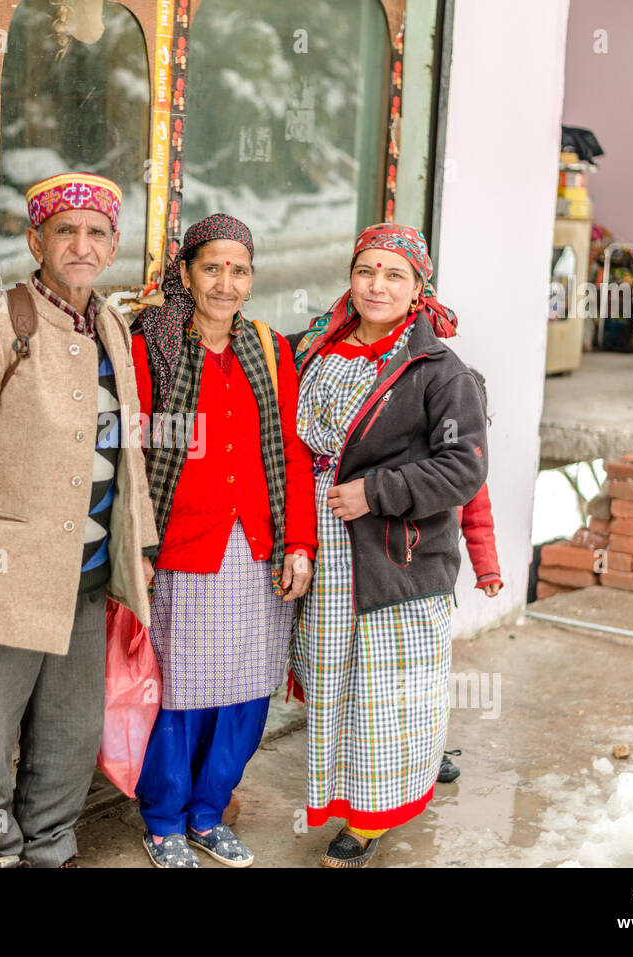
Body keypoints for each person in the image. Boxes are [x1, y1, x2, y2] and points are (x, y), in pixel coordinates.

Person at [0, 172, 159, 868]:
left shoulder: (108, 321)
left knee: (72, 731)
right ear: (36, 241)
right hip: (0, 576)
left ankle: (50, 847)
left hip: (83, 574)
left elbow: (126, 448)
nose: (82, 244)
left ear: (112, 245)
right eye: (65, 230)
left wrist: (138, 544)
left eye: (97, 231)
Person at [290, 223, 488, 867]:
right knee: (336, 683)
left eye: (394, 275)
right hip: (319, 543)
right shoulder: (316, 347)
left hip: (392, 553)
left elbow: (464, 468)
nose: (377, 285)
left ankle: (372, 818)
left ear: (417, 288)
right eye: (367, 271)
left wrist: (376, 492)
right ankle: (379, 782)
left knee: (387, 693)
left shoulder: (437, 370)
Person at [130, 213, 317, 868]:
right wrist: (139, 548)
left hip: (257, 546)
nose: (225, 281)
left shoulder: (268, 348)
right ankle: (163, 819)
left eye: (239, 269)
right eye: (212, 267)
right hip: (183, 545)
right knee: (180, 692)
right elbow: (134, 451)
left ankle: (209, 812)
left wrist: (300, 543)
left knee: (247, 689)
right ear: (186, 272)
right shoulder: (155, 346)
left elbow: (292, 453)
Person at [440, 366, 502, 784]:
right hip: (399, 576)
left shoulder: (469, 467)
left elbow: (478, 520)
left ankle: (431, 747)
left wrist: (489, 570)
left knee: (433, 674)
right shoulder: (420, 461)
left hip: (440, 587)